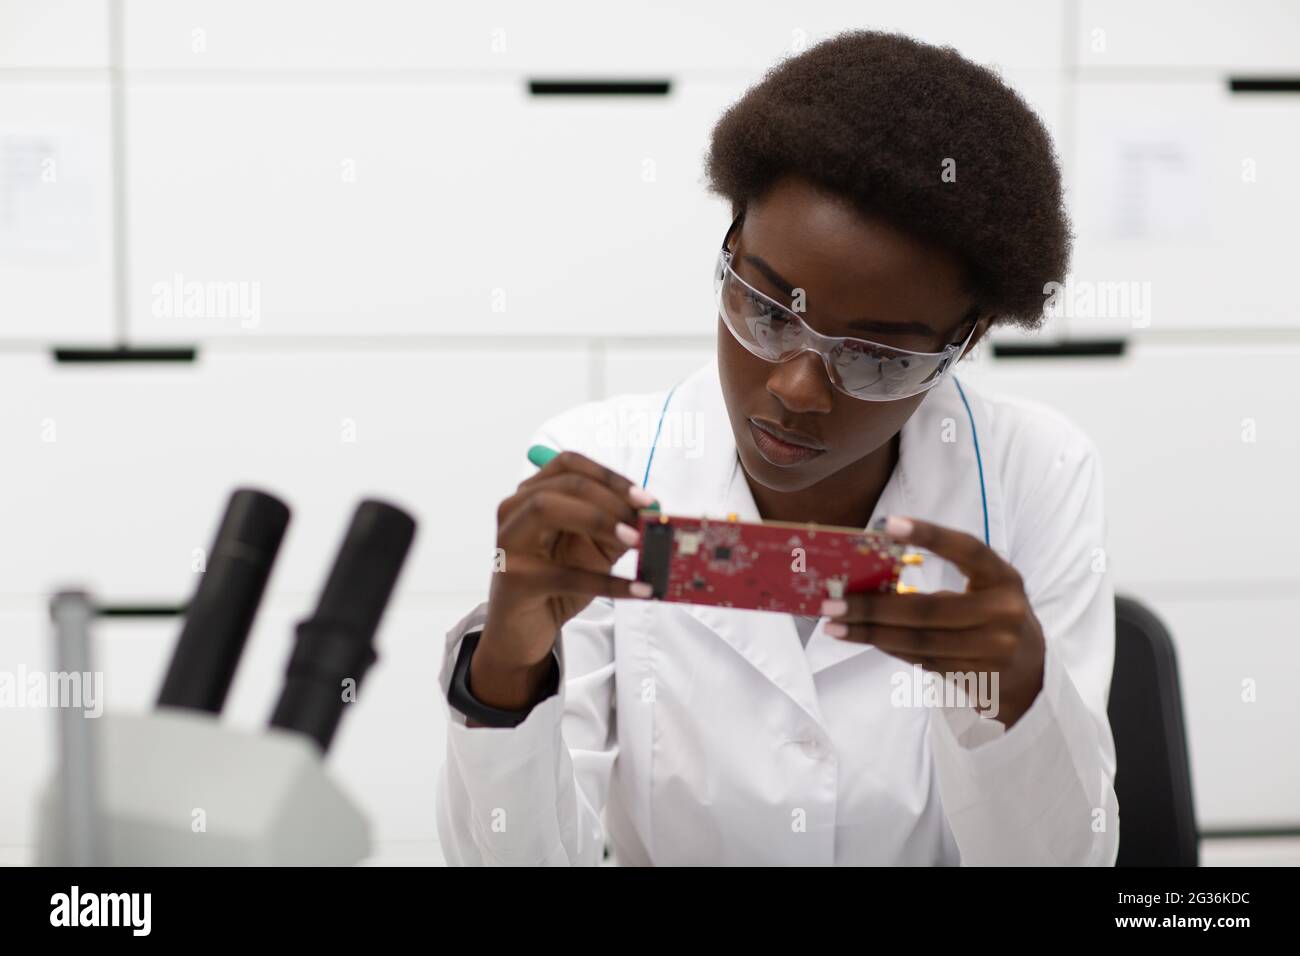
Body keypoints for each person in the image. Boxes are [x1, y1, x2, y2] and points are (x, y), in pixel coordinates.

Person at [435, 30, 1118, 865]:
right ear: (730, 249)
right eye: (767, 311)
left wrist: (1013, 700)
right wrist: (506, 671)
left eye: (875, 357)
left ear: (963, 341)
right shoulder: (593, 467)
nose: (796, 389)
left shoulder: (1036, 476)